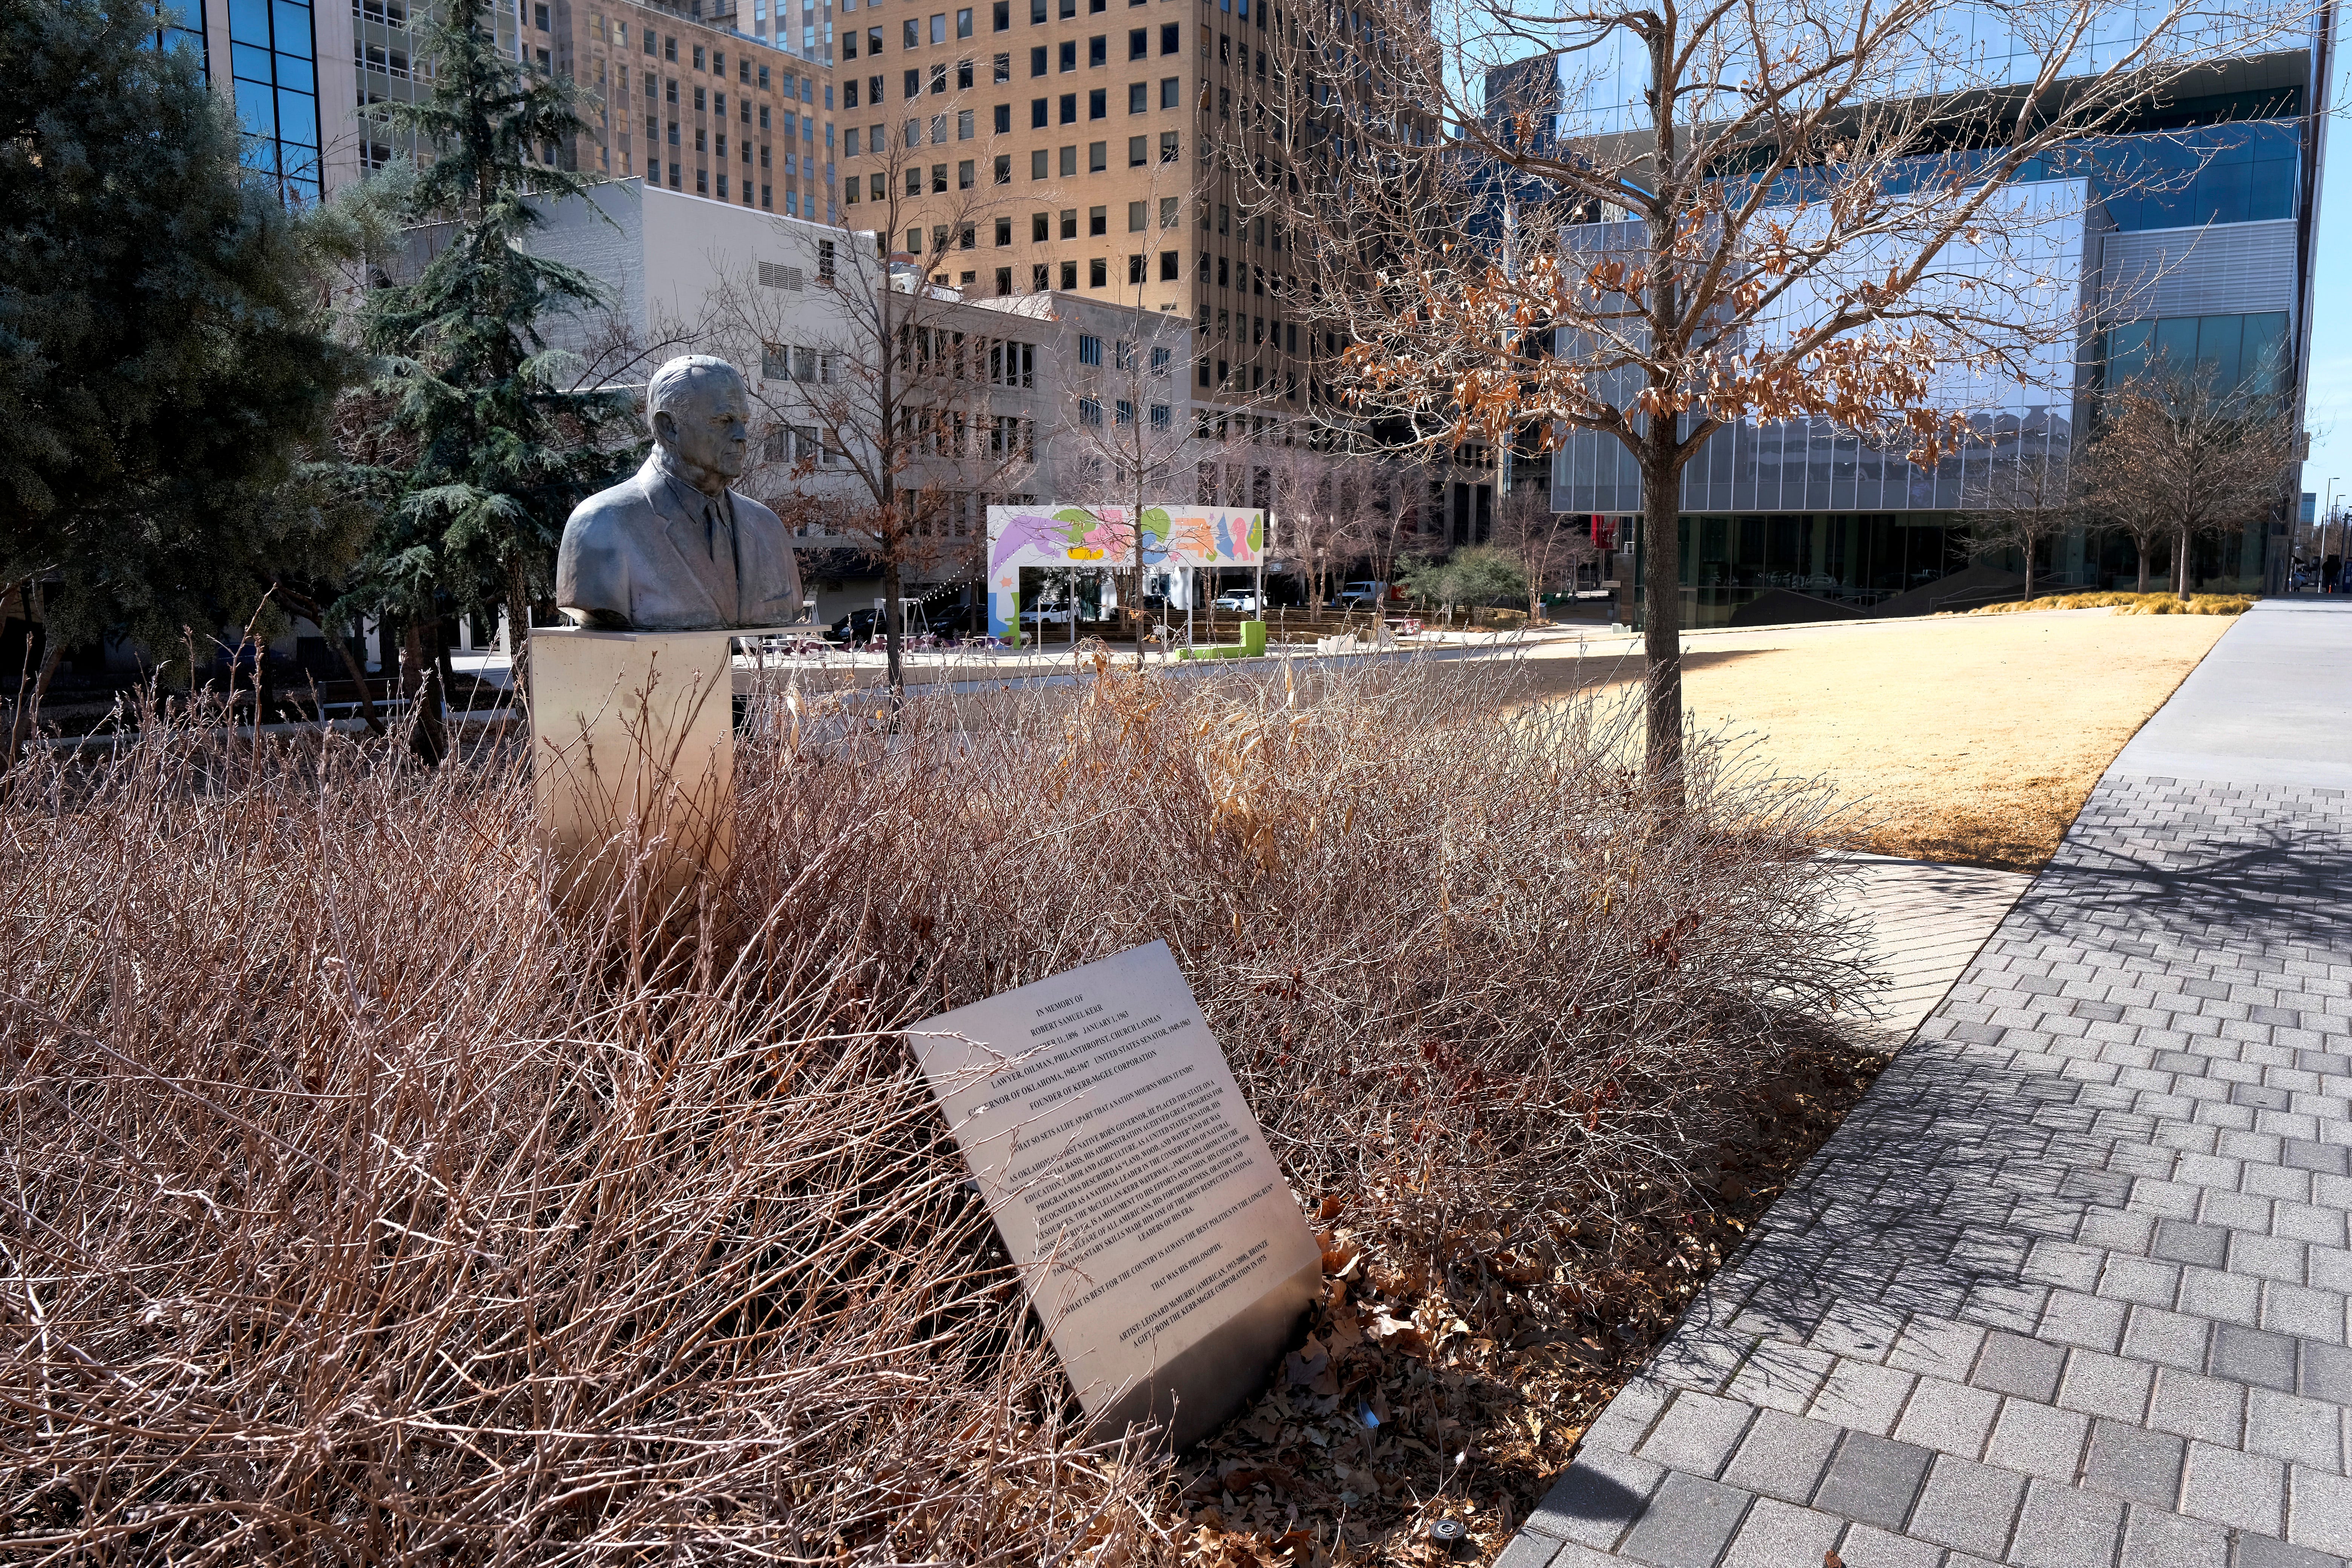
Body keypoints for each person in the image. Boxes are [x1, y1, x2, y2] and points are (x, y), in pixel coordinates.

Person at [556, 355, 804, 631]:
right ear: (669, 427)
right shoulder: (600, 524)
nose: (742, 435)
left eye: (743, 420)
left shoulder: (766, 527)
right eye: (723, 420)